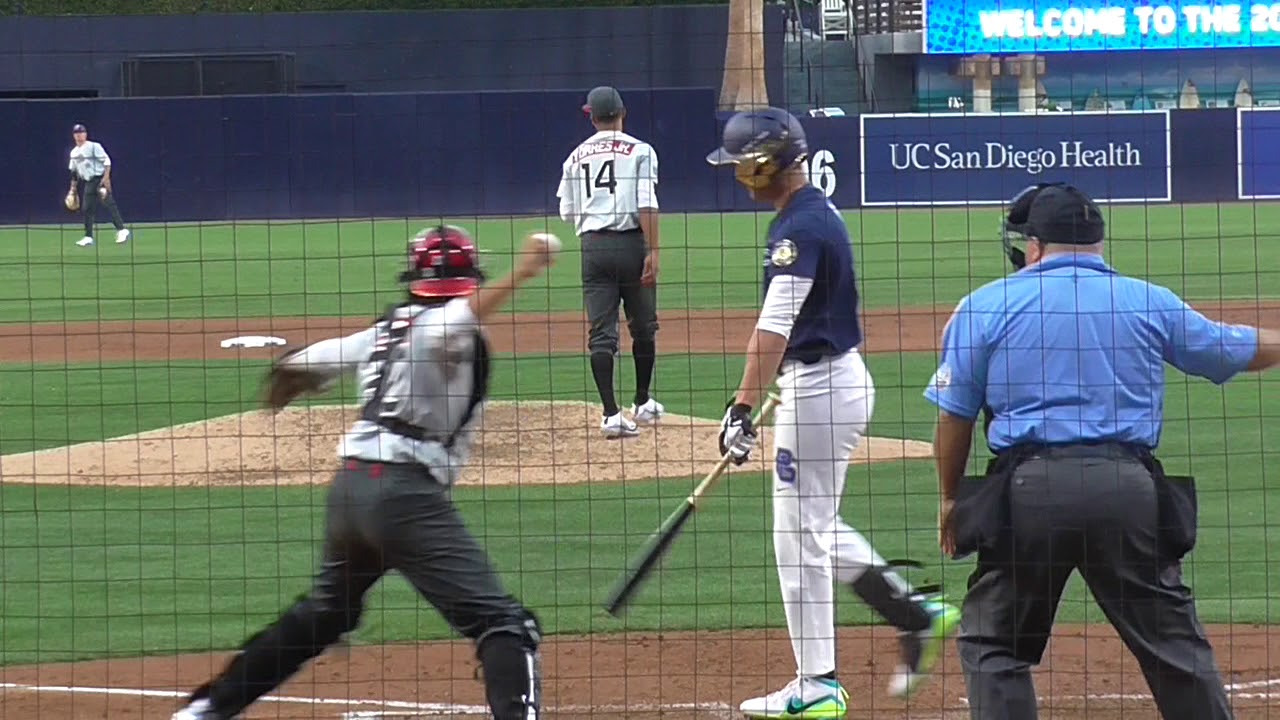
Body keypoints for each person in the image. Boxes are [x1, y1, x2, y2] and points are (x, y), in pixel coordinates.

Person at [170, 226, 559, 720]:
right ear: (469, 280)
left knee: (326, 613)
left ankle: (205, 710)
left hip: (350, 489)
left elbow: (312, 359)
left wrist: (294, 371)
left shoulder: (386, 329)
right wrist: (524, 271)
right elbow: (452, 325)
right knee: (506, 623)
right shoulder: (449, 329)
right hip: (403, 498)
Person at [927, 182, 1280, 720]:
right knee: (1173, 647)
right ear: (1096, 244)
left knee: (994, 641)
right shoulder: (1146, 299)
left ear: (1035, 246)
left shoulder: (985, 305)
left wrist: (951, 498)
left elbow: (954, 418)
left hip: (1029, 495)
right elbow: (1231, 349)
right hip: (1127, 491)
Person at [707, 107, 960, 720]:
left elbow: (773, 328)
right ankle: (912, 613)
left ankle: (817, 683)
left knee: (796, 538)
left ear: (766, 163)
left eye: (743, 166)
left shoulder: (799, 230)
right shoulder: (814, 212)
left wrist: (740, 408)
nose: (740, 177)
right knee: (811, 529)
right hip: (827, 383)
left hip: (820, 391)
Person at [556, 86, 663, 438]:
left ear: (591, 116)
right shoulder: (641, 150)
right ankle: (643, 401)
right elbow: (647, 203)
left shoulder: (574, 157)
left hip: (592, 247)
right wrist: (654, 249)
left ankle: (610, 414)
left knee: (601, 335)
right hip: (631, 243)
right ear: (623, 112)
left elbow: (567, 212)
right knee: (643, 326)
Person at [67, 123, 130, 247]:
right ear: (74, 136)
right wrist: (72, 189)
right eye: (77, 133)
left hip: (100, 179)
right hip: (89, 182)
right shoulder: (74, 153)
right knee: (86, 209)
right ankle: (88, 236)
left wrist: (106, 178)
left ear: (86, 134)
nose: (79, 135)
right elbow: (74, 172)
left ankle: (122, 230)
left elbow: (107, 161)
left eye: (82, 133)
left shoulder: (93, 146)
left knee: (108, 203)